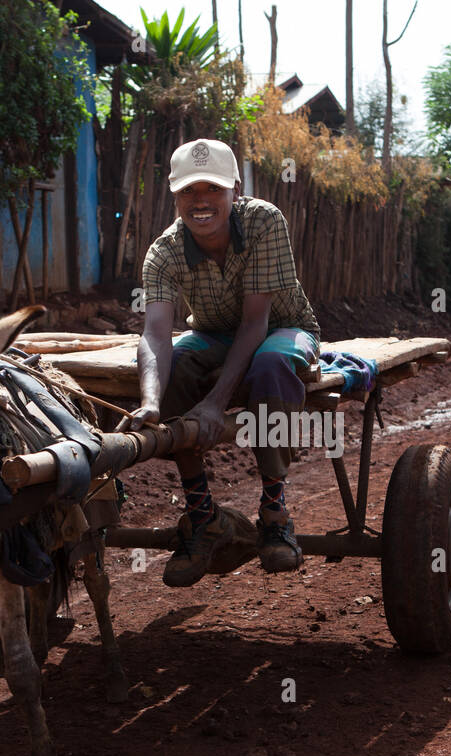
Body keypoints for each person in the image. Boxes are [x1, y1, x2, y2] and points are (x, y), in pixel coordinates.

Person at [118, 139, 321, 588]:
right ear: (175, 196)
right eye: (189, 191)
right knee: (174, 369)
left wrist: (214, 403)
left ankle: (274, 511)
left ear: (235, 187)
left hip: (280, 325)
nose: (201, 201)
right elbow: (155, 333)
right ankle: (203, 515)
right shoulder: (164, 251)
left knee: (270, 366)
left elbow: (255, 323)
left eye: (212, 188)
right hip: (211, 332)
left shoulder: (264, 221)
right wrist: (150, 402)